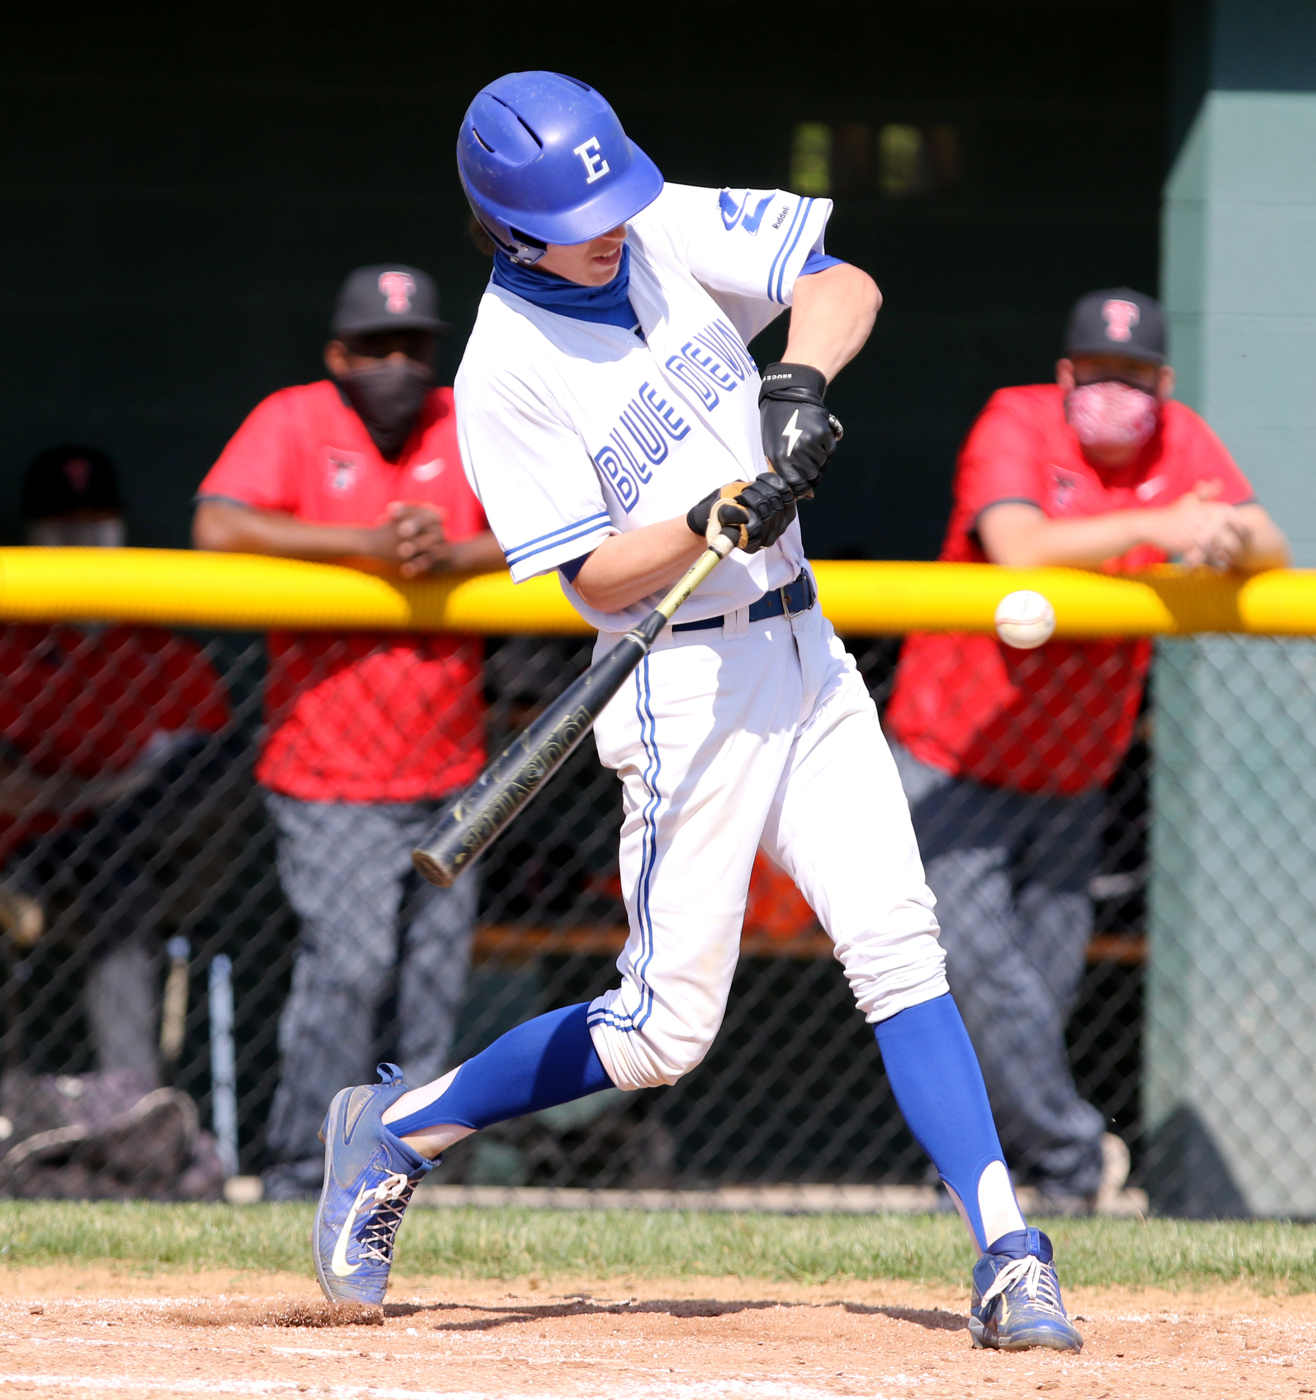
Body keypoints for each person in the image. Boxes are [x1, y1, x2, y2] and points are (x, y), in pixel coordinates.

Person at [312, 72, 1083, 1354]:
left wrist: (796, 384)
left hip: (805, 651)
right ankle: (396, 1127)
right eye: (576, 217)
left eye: (610, 199)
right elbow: (594, 577)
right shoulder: (501, 368)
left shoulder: (653, 220)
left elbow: (842, 285)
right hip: (680, 680)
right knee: (662, 1029)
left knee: (899, 945)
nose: (608, 226)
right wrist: (705, 513)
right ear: (507, 227)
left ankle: (1009, 1251)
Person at [884, 289, 1289, 1209]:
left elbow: (1267, 543)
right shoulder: (1018, 419)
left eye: (1134, 374)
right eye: (1099, 372)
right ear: (1066, 374)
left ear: (1165, 382)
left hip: (1074, 770)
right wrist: (1157, 526)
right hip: (954, 753)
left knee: (1041, 989)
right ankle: (1072, 1152)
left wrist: (1225, 532)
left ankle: (988, 1177)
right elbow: (1016, 544)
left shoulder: (1180, 440)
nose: (1117, 390)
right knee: (972, 969)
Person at [192, 266, 506, 1200]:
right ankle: (302, 1171)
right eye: (376, 347)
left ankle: (405, 1177)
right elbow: (216, 525)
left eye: (414, 346)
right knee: (350, 971)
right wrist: (368, 547)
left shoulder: (467, 418)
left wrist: (454, 555)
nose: (397, 364)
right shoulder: (294, 418)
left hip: (452, 764)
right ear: (339, 354)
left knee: (431, 989)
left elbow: (562, 528)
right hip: (326, 766)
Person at [1, 446, 230, 1084]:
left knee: (132, 859)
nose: (82, 540)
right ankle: (124, 1098)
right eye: (63, 526)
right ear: (32, 537)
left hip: (157, 861)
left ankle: (128, 1107)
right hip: (33, 860)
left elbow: (212, 778)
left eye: (95, 524)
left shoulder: (165, 652)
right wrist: (124, 785)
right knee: (118, 880)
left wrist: (72, 791)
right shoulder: (10, 644)